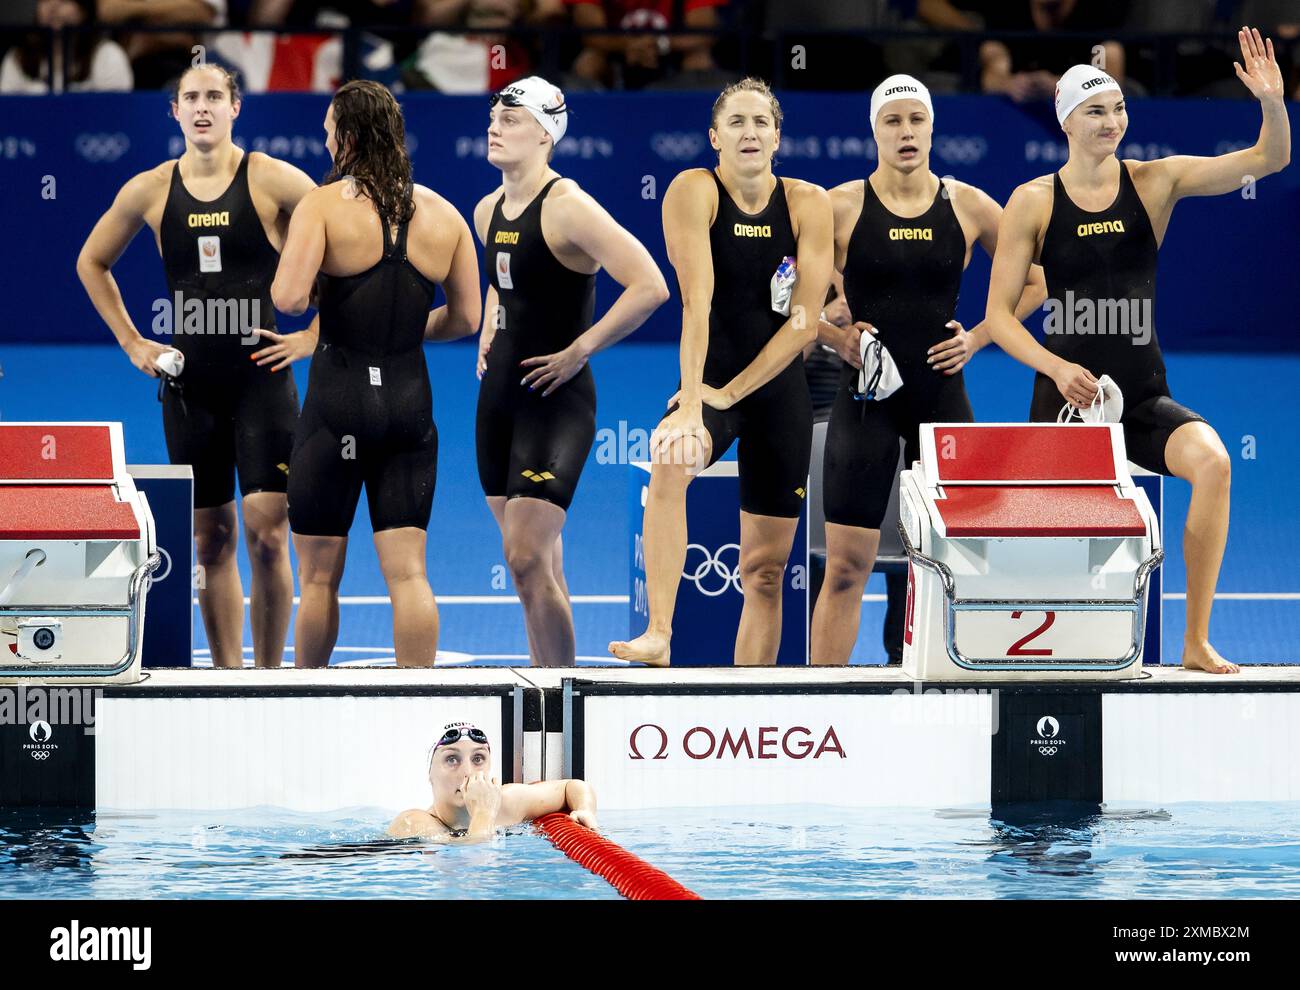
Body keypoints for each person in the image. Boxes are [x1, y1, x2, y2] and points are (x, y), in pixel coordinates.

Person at [983, 30, 1291, 674]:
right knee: (1058, 552)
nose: (1112, 121)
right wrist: (1057, 367)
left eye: (1119, 108)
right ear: (1067, 121)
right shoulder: (1033, 202)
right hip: (1065, 404)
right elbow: (998, 319)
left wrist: (1271, 101)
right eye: (1096, 110)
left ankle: (1196, 641)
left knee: (1213, 463)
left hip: (1143, 396)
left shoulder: (1156, 180)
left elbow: (1270, 159)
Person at [77, 63, 316, 668]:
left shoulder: (271, 178)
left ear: (237, 107)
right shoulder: (151, 189)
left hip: (262, 381)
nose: (203, 106)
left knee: (267, 534)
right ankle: (230, 678)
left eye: (215, 96)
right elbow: (91, 263)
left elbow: (344, 243)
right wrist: (135, 344)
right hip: (192, 390)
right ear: (175, 112)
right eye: (191, 97)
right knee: (210, 541)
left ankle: (269, 679)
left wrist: (313, 333)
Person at [810, 75, 1046, 665]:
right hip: (864, 403)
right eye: (893, 121)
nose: (906, 131)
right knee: (845, 568)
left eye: (916, 120)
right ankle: (820, 704)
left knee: (953, 564)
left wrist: (982, 336)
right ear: (874, 131)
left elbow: (1037, 280)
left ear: (933, 128)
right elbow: (782, 289)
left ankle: (950, 683)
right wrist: (837, 337)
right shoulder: (838, 205)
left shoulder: (967, 204)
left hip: (943, 401)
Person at [609, 77, 834, 667]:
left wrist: (730, 391)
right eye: (736, 122)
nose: (750, 132)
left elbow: (805, 323)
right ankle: (660, 634)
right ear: (715, 136)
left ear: (778, 136)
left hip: (776, 390)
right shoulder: (694, 190)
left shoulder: (810, 204)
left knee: (764, 571)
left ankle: (750, 692)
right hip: (706, 378)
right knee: (671, 456)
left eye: (761, 122)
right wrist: (690, 404)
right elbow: (696, 301)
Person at [272, 80, 481, 668]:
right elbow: (466, 318)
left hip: (336, 403)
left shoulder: (321, 204)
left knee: (316, 579)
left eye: (329, 128)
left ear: (348, 137)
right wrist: (409, 330)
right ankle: (419, 705)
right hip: (409, 406)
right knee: (410, 572)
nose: (324, 136)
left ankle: (302, 703)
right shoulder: (445, 215)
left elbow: (288, 300)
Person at [475, 76, 667, 666]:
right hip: (500, 404)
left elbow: (650, 285)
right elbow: (502, 282)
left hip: (556, 404)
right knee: (533, 563)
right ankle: (543, 684)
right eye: (493, 117)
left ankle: (561, 695)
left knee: (528, 557)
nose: (495, 127)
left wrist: (580, 348)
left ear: (545, 133)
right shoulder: (488, 210)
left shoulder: (568, 207)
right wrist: (490, 324)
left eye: (510, 120)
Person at [387, 722, 599, 840]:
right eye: (452, 759)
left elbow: (574, 786)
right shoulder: (413, 823)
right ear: (430, 774)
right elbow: (474, 863)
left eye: (478, 758)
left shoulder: (508, 803)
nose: (467, 772)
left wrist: (585, 809)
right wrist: (484, 813)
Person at [0, 0, 133, 94]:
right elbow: (7, 113)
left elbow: (116, 114)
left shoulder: (107, 55)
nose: (53, 5)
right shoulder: (18, 57)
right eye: (44, 0)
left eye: (64, 0)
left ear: (84, 10)